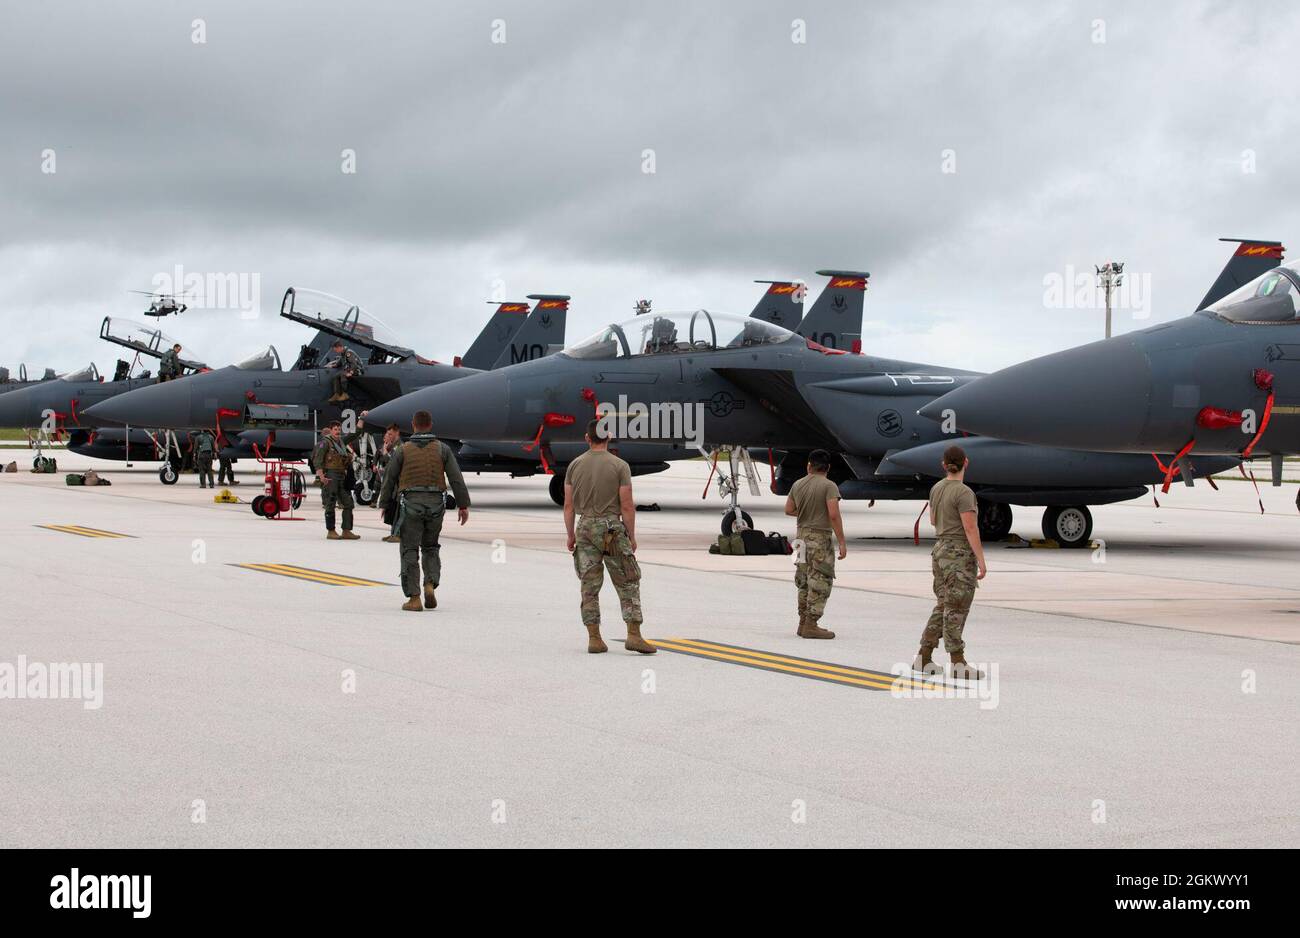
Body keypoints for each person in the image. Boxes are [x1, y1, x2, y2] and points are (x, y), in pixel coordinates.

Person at [563, 419, 655, 655]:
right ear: (608, 437)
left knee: (589, 585)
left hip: (584, 527)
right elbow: (626, 506)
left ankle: (594, 638)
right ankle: (633, 635)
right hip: (611, 529)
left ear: (587, 438)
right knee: (627, 581)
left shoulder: (574, 465)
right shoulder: (620, 465)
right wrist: (631, 536)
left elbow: (568, 506)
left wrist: (570, 535)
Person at [377, 410, 470, 612]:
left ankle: (414, 598)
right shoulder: (443, 449)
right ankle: (430, 584)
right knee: (430, 547)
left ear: (413, 425)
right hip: (436, 505)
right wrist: (463, 505)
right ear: (430, 425)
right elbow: (456, 479)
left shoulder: (403, 450)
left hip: (410, 504)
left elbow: (390, 479)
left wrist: (384, 504)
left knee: (409, 549)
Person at [913, 444, 986, 679]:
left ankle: (923, 657)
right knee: (956, 608)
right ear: (966, 462)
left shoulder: (936, 488)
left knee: (944, 605)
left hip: (940, 549)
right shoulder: (964, 493)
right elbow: (970, 527)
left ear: (944, 465)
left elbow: (934, 520)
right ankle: (957, 662)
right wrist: (981, 560)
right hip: (958, 553)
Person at [784, 449, 847, 639]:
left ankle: (803, 622)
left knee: (802, 579)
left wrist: (805, 513)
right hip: (819, 537)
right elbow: (833, 514)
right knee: (820, 579)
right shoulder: (829, 486)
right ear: (828, 467)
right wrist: (842, 542)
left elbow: (789, 509)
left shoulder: (798, 484)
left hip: (800, 538)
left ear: (809, 466)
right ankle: (811, 623)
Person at [313, 420, 360, 540]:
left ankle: (346, 530)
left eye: (339, 430)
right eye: (335, 429)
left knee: (348, 503)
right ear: (331, 430)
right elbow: (317, 460)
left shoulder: (341, 443)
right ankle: (331, 531)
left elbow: (354, 434)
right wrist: (321, 477)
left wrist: (362, 420)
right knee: (330, 503)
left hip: (341, 476)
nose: (338, 432)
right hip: (331, 476)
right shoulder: (325, 443)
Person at [378, 423, 402, 543]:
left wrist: (385, 454)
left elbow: (393, 464)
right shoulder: (393, 446)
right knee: (393, 506)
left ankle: (397, 534)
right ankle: (393, 532)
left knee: (398, 508)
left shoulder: (399, 447)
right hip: (393, 482)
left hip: (399, 482)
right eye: (388, 434)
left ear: (397, 433)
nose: (389, 436)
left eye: (391, 434)